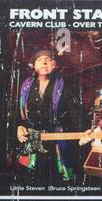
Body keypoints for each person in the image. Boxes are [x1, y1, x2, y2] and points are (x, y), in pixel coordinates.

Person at [11, 49, 84, 187]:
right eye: (39, 60)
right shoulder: (26, 86)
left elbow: (76, 114)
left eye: (48, 59)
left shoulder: (66, 86)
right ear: (34, 66)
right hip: (31, 140)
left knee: (57, 180)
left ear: (54, 65)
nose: (44, 62)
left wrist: (83, 133)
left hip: (56, 141)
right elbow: (16, 110)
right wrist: (18, 126)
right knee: (31, 179)